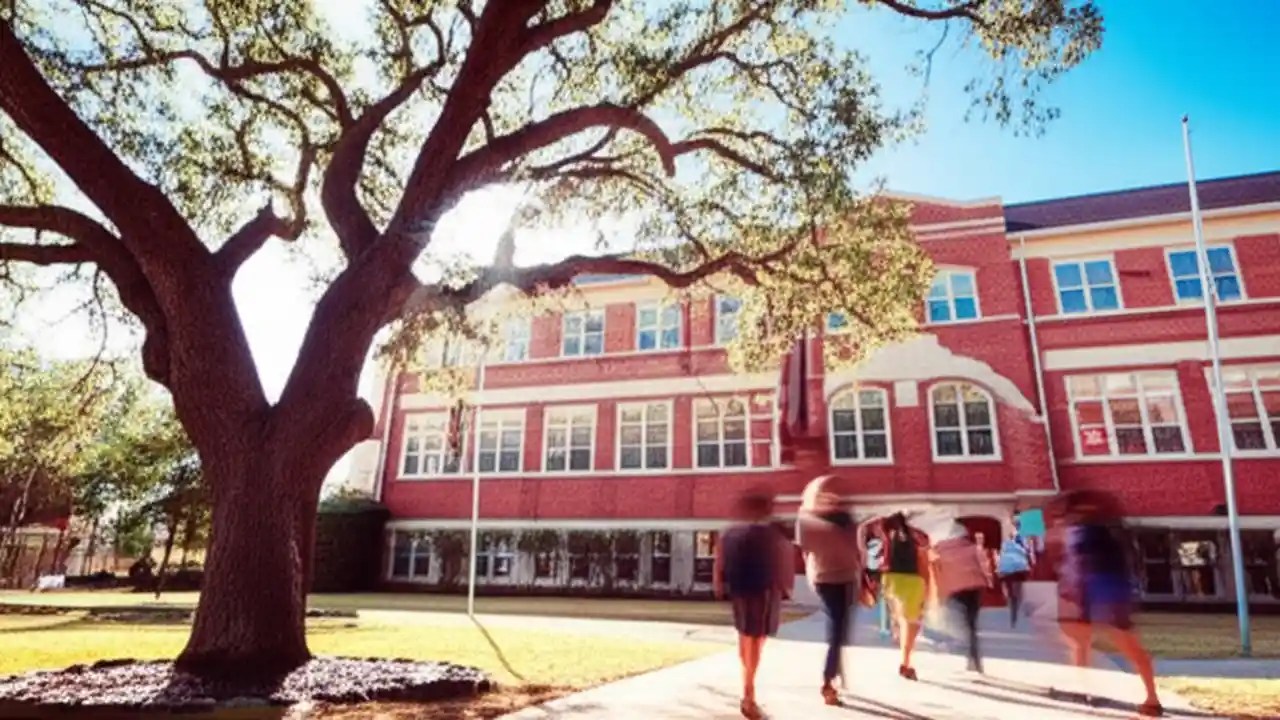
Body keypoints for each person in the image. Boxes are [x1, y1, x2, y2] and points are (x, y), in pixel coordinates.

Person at [1054, 490, 1162, 717]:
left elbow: (1079, 566)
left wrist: (1070, 594)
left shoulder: (1083, 532)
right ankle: (1149, 697)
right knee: (1106, 644)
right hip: (1106, 591)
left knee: (1107, 644)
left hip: (1098, 592)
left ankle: (1087, 691)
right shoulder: (1110, 530)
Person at [714, 490, 792, 719]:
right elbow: (782, 556)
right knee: (756, 640)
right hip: (763, 591)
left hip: (739, 591)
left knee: (745, 637)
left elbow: (720, 559)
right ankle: (748, 692)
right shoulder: (770, 533)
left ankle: (747, 685)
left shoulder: (730, 533)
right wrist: (785, 585)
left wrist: (718, 583)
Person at [796, 475, 862, 705]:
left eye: (833, 497)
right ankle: (828, 680)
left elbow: (855, 551)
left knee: (840, 629)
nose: (830, 501)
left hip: (846, 578)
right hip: (825, 579)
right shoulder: (808, 521)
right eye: (824, 497)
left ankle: (835, 671)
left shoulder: (846, 520)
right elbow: (807, 548)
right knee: (836, 629)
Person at [931, 521, 993, 673]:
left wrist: (940, 594)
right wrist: (988, 582)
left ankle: (965, 651)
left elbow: (938, 573)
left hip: (956, 590)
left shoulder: (940, 550)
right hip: (975, 588)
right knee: (971, 624)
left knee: (956, 622)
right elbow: (984, 564)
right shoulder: (972, 548)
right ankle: (974, 658)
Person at [881, 512, 931, 681]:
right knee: (911, 624)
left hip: (891, 578)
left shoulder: (885, 531)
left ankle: (897, 630)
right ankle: (906, 662)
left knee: (901, 619)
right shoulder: (918, 535)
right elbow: (925, 555)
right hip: (912, 580)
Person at [996, 523, 1033, 628]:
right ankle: (1015, 610)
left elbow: (1001, 553)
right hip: (1019, 567)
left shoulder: (1007, 540)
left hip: (1006, 567)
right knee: (1018, 589)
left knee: (1010, 591)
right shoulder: (1025, 538)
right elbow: (1030, 552)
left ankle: (1012, 607)